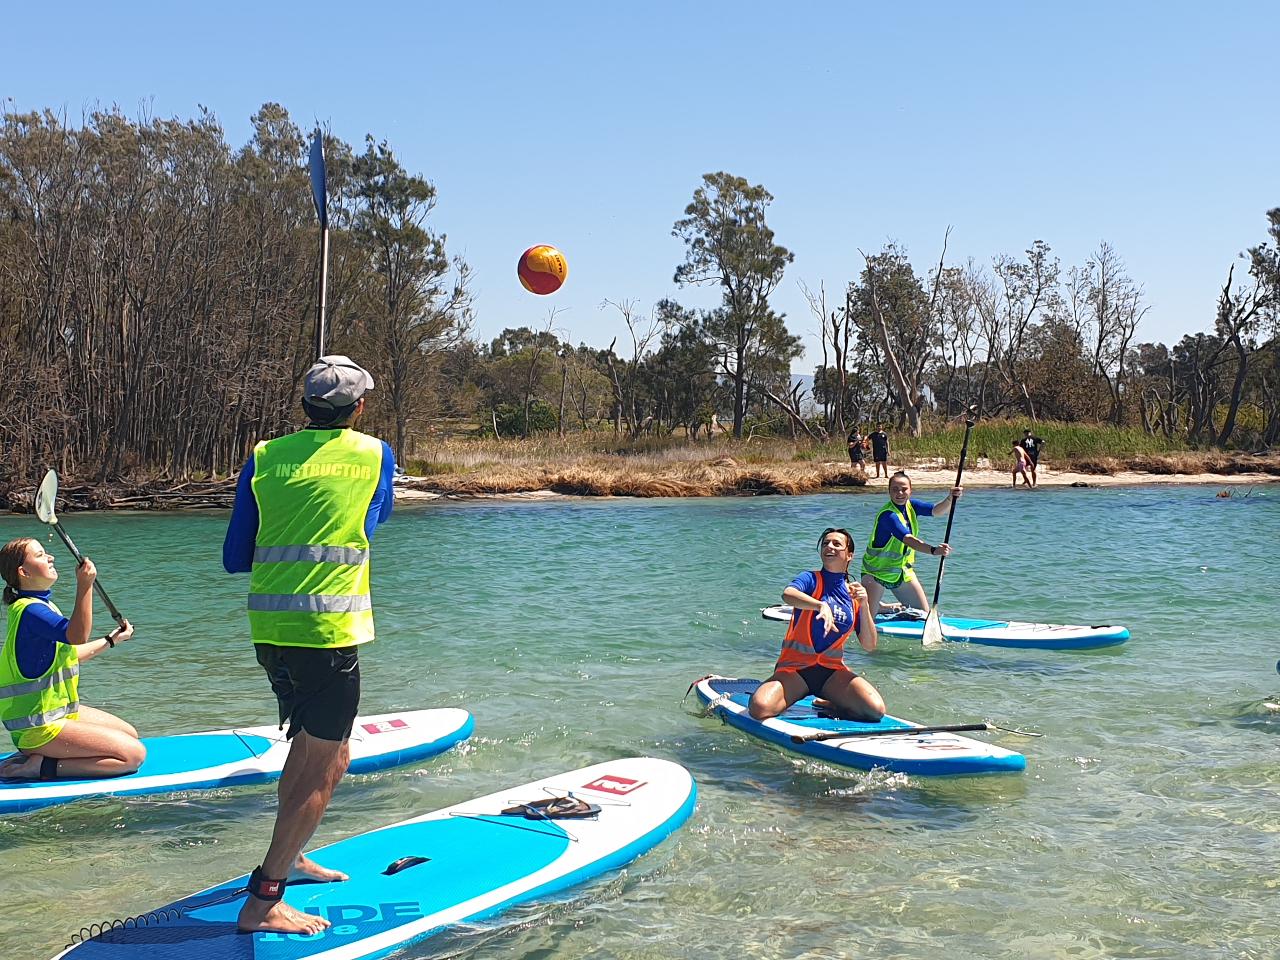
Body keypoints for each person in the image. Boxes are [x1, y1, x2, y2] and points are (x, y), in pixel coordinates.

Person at [223, 355, 395, 936]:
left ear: (304, 406)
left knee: (321, 751)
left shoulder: (264, 456)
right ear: (359, 408)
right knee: (324, 765)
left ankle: (292, 857)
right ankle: (264, 900)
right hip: (328, 634)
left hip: (271, 631)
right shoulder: (375, 454)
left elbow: (234, 557)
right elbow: (372, 524)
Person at [0, 538, 141, 780]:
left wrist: (111, 640)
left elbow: (68, 655)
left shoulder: (39, 606)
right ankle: (38, 767)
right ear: (24, 572)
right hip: (39, 727)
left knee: (130, 735)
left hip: (56, 716)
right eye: (40, 555)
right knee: (132, 756)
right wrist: (85, 585)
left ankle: (40, 755)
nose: (50, 557)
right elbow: (77, 636)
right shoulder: (32, 611)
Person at [748, 528, 884, 723]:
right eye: (826, 543)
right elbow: (788, 594)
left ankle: (831, 701)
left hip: (831, 673)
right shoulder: (810, 579)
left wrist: (864, 605)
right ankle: (780, 692)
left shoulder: (853, 596)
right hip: (795, 670)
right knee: (760, 708)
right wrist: (819, 605)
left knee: (875, 710)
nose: (829, 547)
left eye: (837, 544)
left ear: (849, 555)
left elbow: (869, 645)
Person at [860, 471, 962, 617]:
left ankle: (882, 606)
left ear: (910, 490)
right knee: (866, 619)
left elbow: (936, 511)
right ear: (889, 491)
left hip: (901, 573)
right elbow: (909, 540)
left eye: (904, 489)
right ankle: (877, 607)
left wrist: (950, 498)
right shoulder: (888, 516)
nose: (900, 493)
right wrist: (934, 550)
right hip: (875, 574)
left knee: (923, 615)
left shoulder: (912, 506)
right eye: (895, 489)